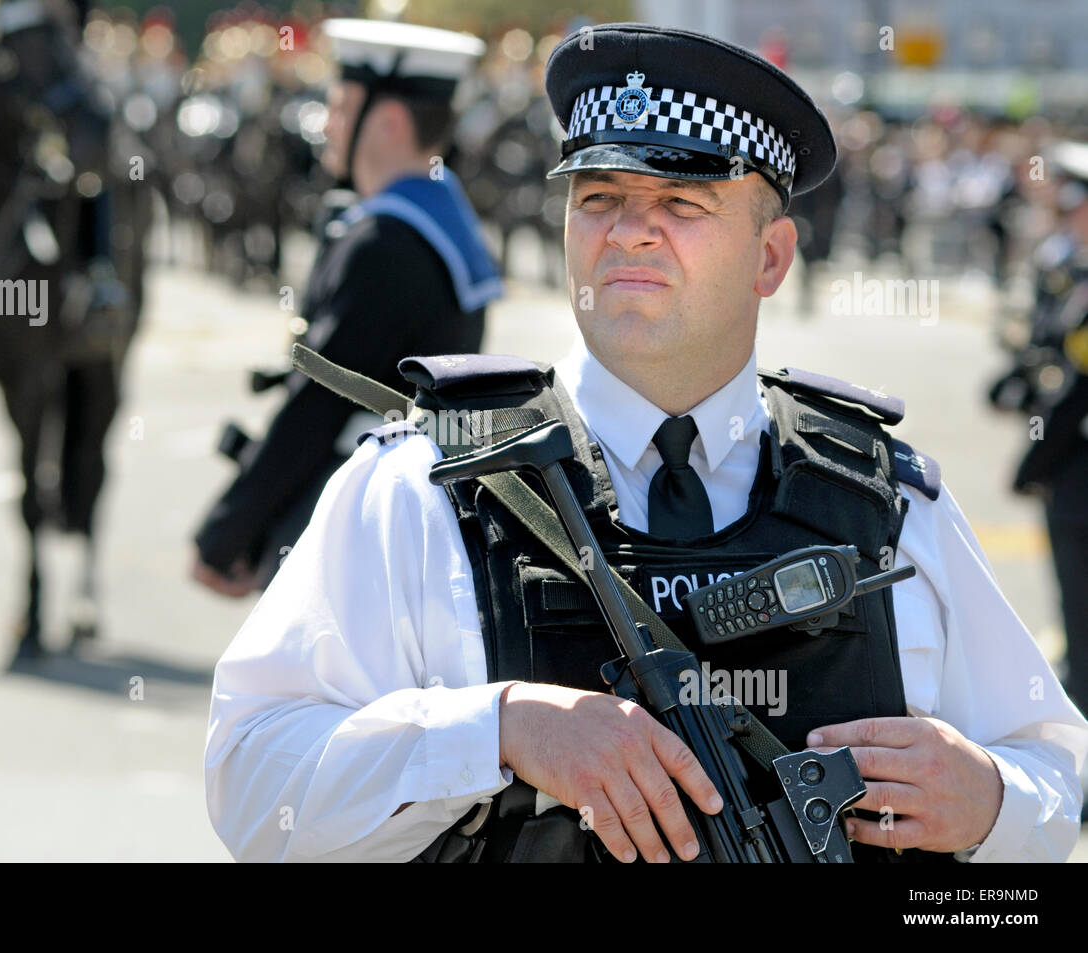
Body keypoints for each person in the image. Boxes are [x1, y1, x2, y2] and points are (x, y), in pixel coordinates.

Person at [205, 23, 1088, 862]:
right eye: (599, 199)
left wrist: (991, 799)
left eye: (679, 200)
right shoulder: (426, 487)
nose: (629, 229)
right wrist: (499, 731)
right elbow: (251, 782)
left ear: (771, 257)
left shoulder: (889, 506)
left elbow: (1053, 768)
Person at [191, 19, 499, 597]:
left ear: (387, 121)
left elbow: (318, 406)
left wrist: (226, 533)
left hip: (351, 518)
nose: (325, 123)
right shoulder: (435, 216)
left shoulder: (384, 243)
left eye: (339, 106)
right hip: (399, 511)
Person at [990, 140, 1088, 717]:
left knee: (1081, 627)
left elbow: (1076, 395)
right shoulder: (1068, 274)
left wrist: (1032, 466)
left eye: (1071, 204)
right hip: (1069, 472)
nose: (1063, 217)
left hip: (1076, 478)